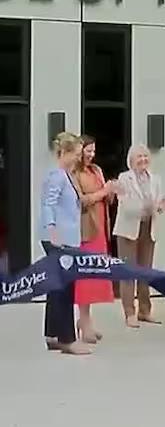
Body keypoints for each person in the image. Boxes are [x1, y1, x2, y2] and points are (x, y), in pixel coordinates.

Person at [40, 132, 89, 355]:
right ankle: (67, 339)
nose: (78, 158)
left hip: (66, 237)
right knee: (65, 289)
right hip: (59, 239)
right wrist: (52, 229)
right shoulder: (57, 176)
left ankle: (52, 335)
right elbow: (48, 204)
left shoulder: (67, 176)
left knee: (56, 287)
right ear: (65, 152)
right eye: (76, 154)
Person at [113, 144, 165, 328]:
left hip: (148, 227)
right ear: (131, 161)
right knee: (128, 272)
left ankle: (145, 310)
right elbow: (125, 204)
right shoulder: (124, 178)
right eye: (139, 157)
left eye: (145, 156)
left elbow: (161, 200)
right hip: (128, 229)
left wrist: (160, 206)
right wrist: (146, 207)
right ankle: (129, 312)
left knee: (145, 271)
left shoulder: (156, 179)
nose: (143, 160)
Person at [73, 135, 116, 343]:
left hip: (100, 228)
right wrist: (102, 192)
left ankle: (87, 320)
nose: (91, 154)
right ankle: (84, 321)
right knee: (85, 278)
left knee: (95, 276)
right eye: (88, 150)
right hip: (85, 231)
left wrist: (112, 191)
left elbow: (105, 197)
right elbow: (80, 201)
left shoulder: (96, 170)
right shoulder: (74, 173)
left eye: (93, 150)